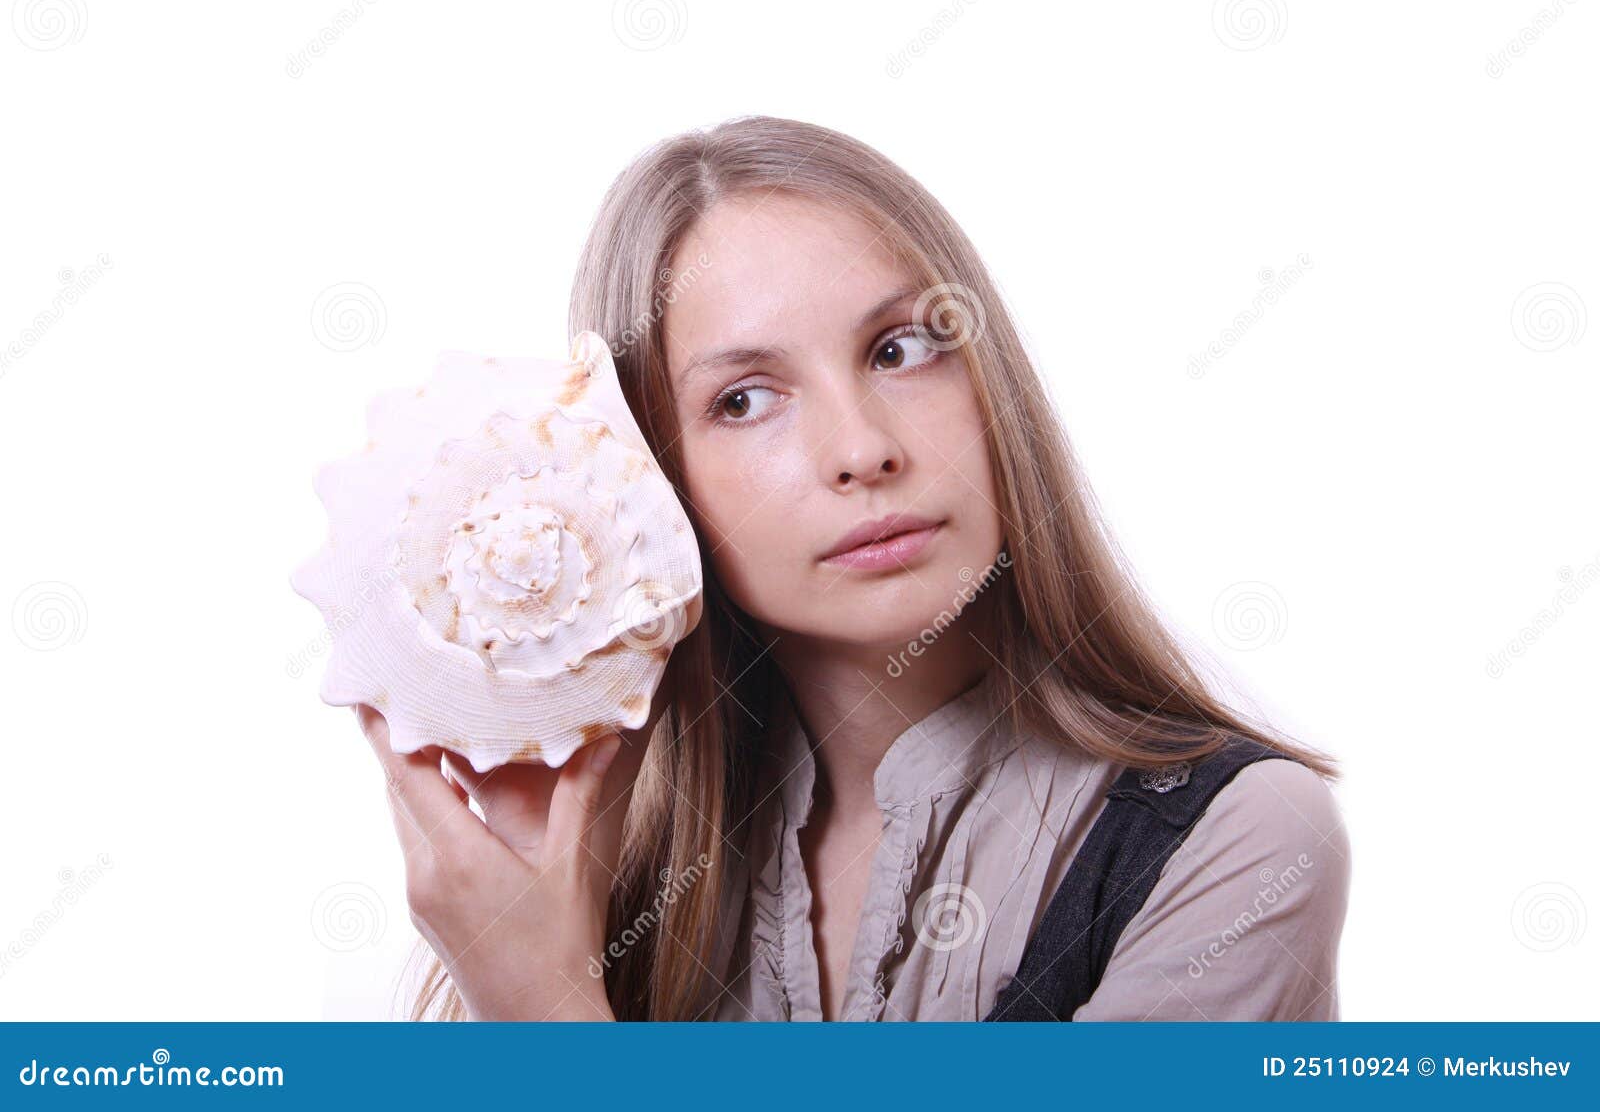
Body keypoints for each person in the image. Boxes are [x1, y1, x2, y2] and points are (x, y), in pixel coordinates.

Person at [355, 114, 1350, 1022]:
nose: (860, 448)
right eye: (744, 399)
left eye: (902, 348)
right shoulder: (607, 884)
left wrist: (543, 1013)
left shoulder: (1234, 842)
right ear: (649, 475)